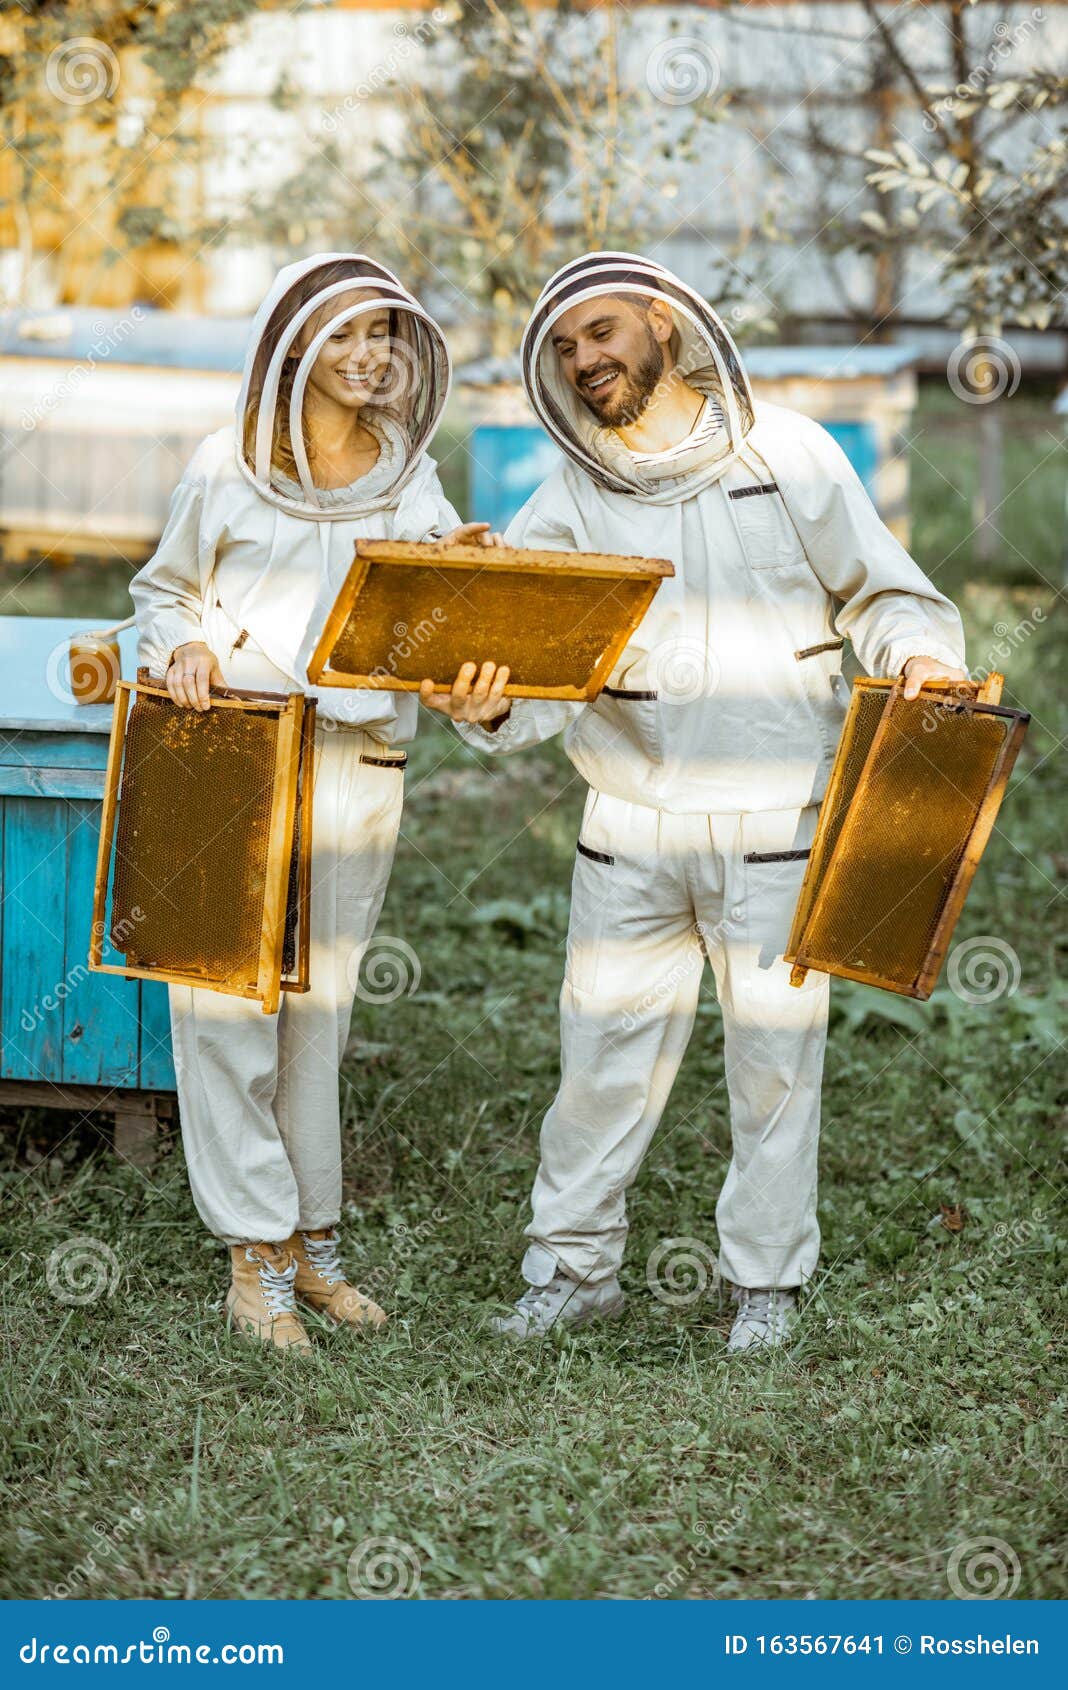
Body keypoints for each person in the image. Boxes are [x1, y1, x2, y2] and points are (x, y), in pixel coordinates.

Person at [422, 251, 968, 1351]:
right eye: (565, 348)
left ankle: (765, 1283)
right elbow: (532, 673)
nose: (585, 360)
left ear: (664, 324)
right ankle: (573, 1270)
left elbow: (880, 589)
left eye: (603, 332)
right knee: (600, 1060)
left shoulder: (788, 452)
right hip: (628, 820)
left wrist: (919, 655)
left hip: (777, 814)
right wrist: (483, 700)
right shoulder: (569, 500)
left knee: (774, 1064)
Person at [132, 253, 496, 1352]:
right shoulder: (227, 466)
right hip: (231, 756)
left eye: (381, 333)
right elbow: (163, 591)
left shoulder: (408, 473)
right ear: (291, 345)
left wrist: (463, 573)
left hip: (355, 763)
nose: (366, 355)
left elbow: (435, 596)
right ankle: (255, 1256)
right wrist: (184, 644)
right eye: (341, 334)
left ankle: (311, 1242)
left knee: (317, 1009)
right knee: (226, 1004)